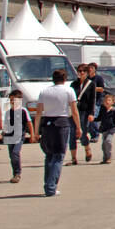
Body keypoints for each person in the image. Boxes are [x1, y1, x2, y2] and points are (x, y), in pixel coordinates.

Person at [33, 69, 81, 197]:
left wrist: (36, 131)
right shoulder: (69, 91)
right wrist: (78, 127)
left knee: (49, 155)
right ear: (64, 79)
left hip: (47, 123)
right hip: (62, 122)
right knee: (58, 156)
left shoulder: (44, 91)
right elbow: (74, 111)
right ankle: (51, 187)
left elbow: (38, 113)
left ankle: (48, 185)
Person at [3, 89, 34, 184]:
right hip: (9, 137)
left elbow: (29, 123)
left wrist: (32, 135)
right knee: (11, 155)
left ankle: (17, 173)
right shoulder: (8, 112)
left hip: (19, 136)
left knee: (15, 153)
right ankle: (15, 173)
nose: (12, 102)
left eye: (15, 100)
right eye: (11, 100)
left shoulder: (23, 111)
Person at [69, 64, 97, 164]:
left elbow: (92, 100)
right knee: (72, 134)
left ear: (87, 73)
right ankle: (73, 158)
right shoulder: (73, 84)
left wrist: (91, 113)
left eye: (83, 71)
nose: (81, 73)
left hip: (84, 112)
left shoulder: (91, 84)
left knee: (82, 133)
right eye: (79, 71)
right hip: (74, 111)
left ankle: (87, 148)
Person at [96, 93, 115, 163]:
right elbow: (99, 118)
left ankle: (109, 157)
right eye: (105, 101)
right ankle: (105, 158)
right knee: (103, 145)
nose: (107, 102)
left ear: (112, 102)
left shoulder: (114, 110)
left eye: (109, 100)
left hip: (111, 129)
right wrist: (92, 119)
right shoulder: (102, 110)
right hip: (104, 129)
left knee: (108, 141)